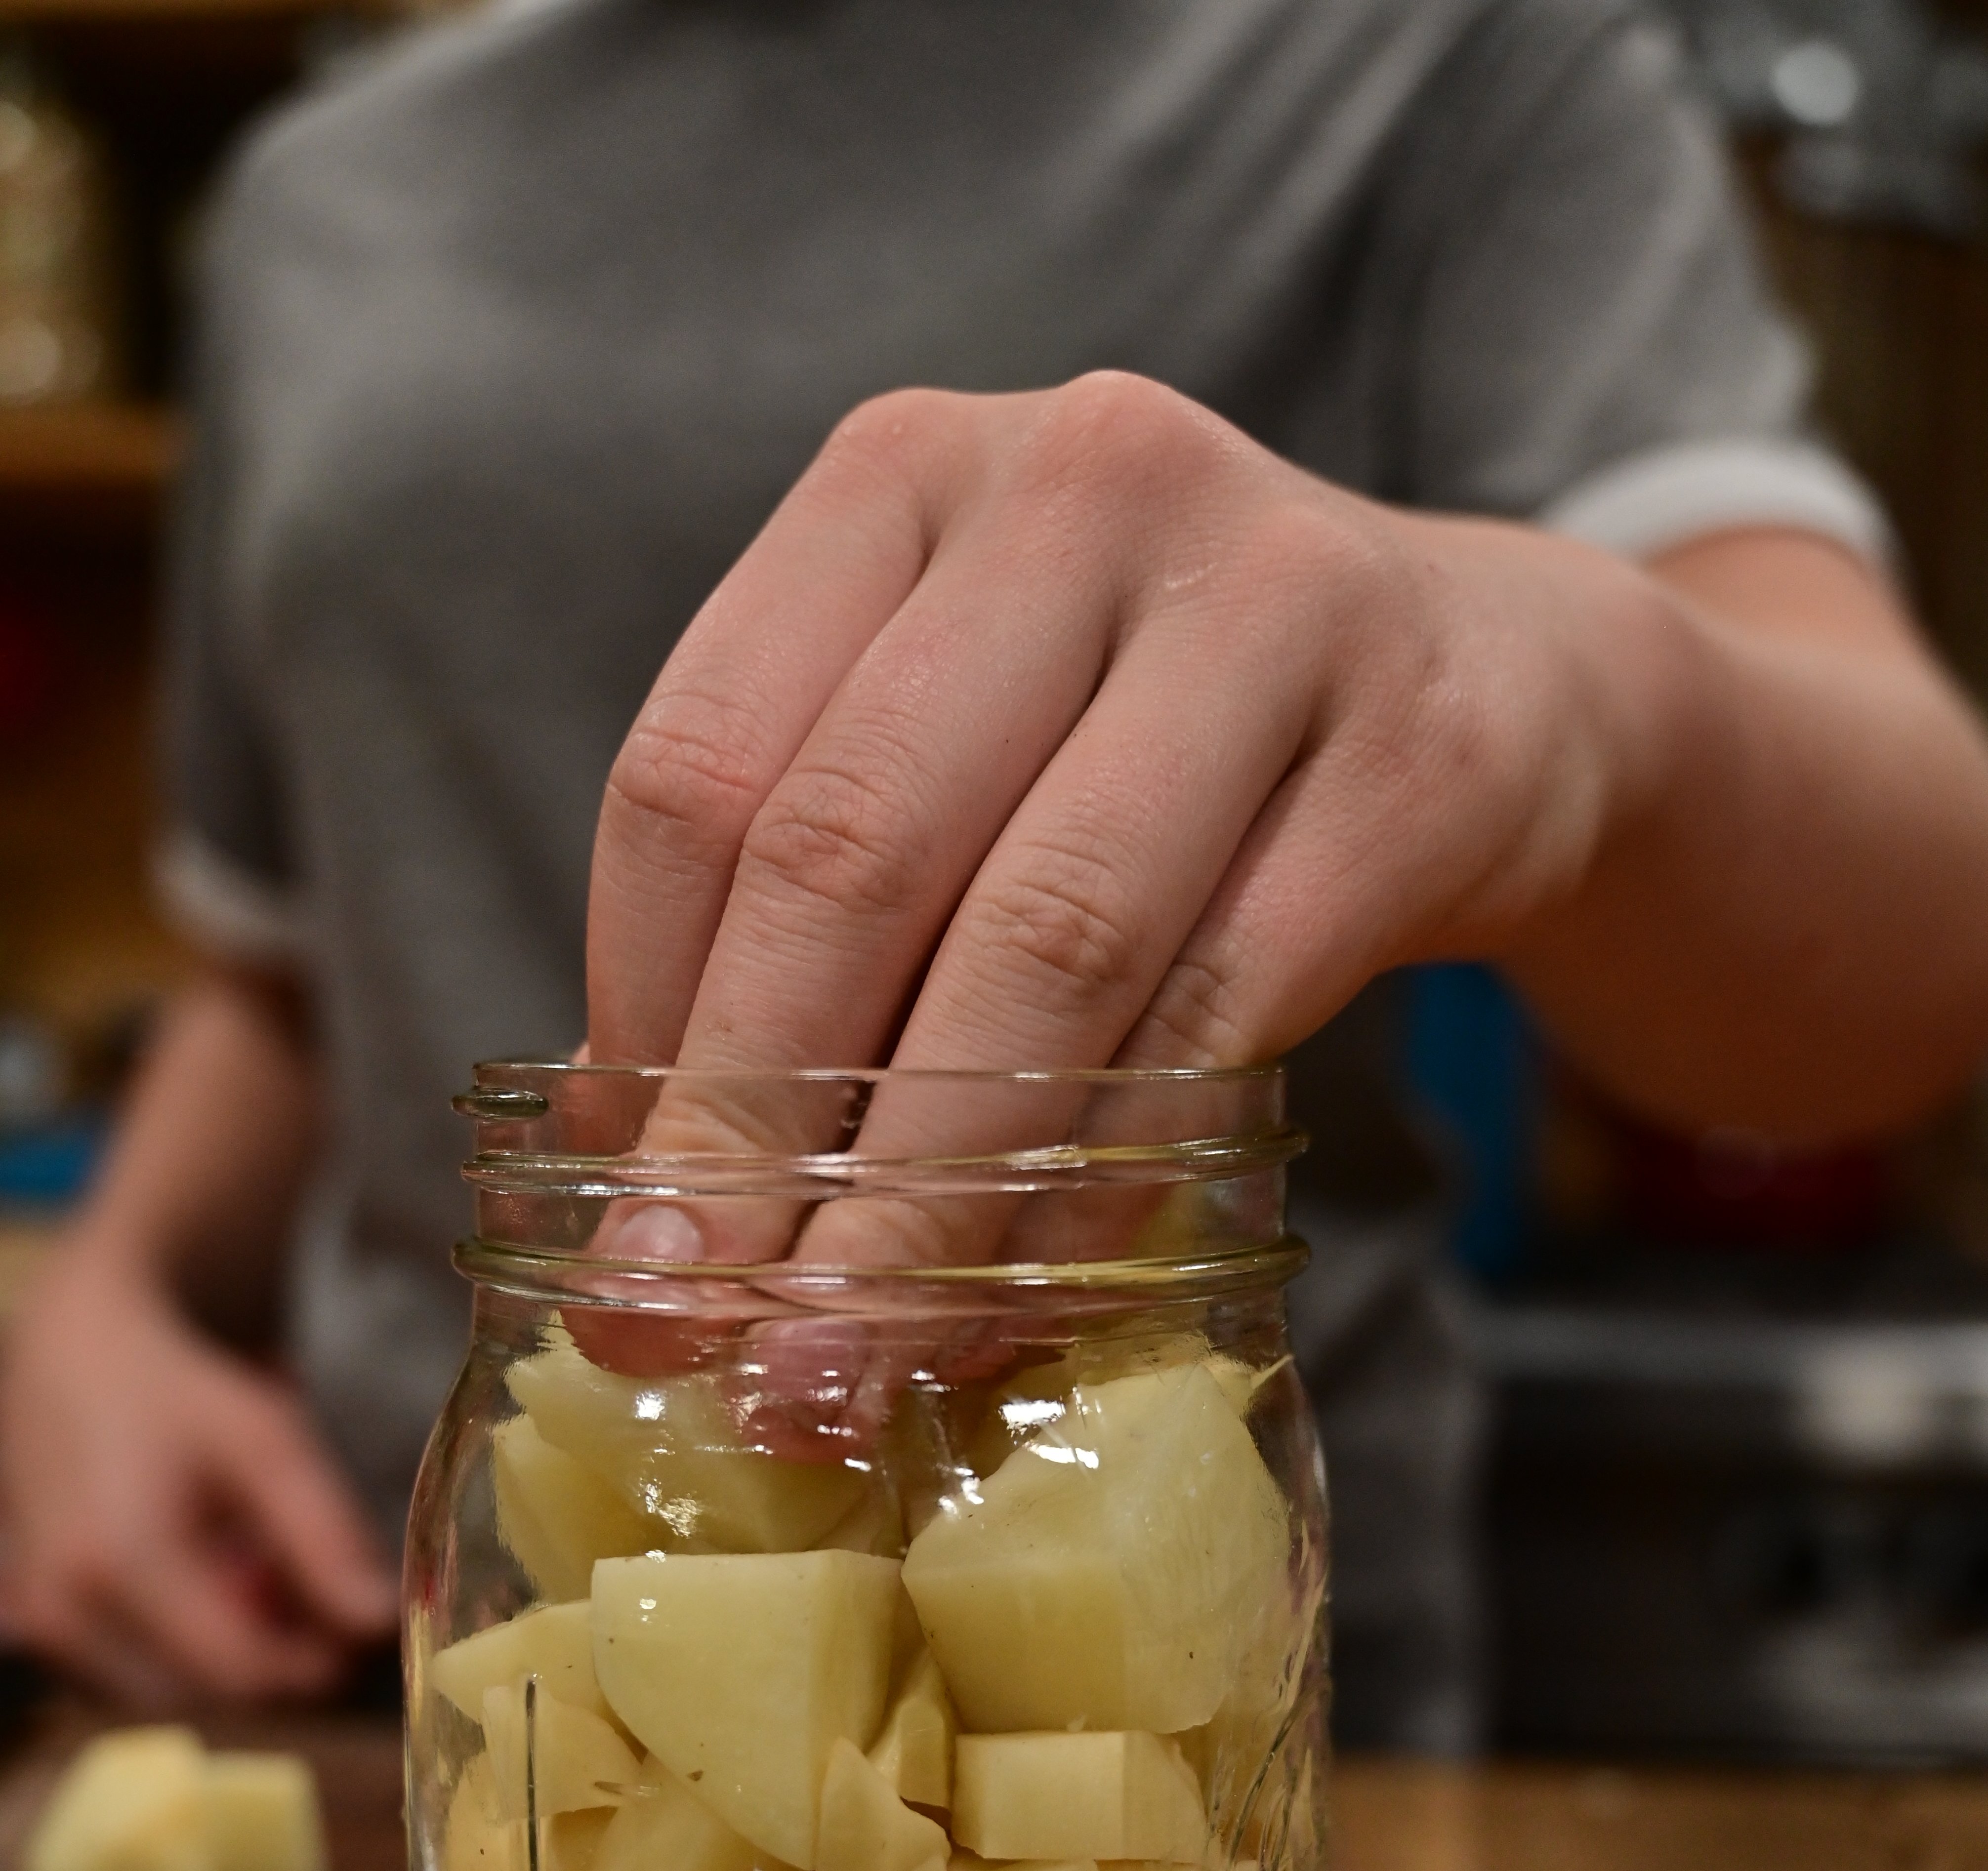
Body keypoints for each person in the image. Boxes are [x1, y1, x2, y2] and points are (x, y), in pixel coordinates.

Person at [5, 0, 1988, 1736]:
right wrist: (104, 1309)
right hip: (435, 1681)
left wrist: (1568, 684)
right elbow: (293, 968)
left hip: (1141, 1730)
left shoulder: (1440, 60)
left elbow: (1918, 947)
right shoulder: (316, 200)